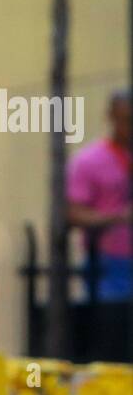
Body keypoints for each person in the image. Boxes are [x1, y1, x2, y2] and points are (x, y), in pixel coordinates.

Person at [66, 89, 132, 303]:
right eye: (126, 120)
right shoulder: (89, 161)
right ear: (111, 117)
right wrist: (118, 217)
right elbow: (73, 213)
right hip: (108, 264)